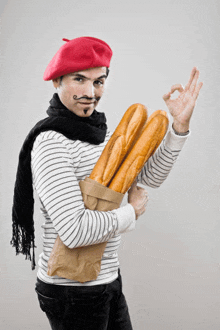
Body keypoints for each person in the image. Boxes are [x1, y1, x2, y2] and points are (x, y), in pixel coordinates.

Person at [11, 36, 203, 330]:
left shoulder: (101, 134)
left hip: (105, 277)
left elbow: (149, 177)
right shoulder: (51, 143)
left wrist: (178, 127)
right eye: (79, 79)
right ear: (56, 81)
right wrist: (131, 213)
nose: (90, 92)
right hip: (71, 290)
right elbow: (74, 232)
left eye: (99, 82)